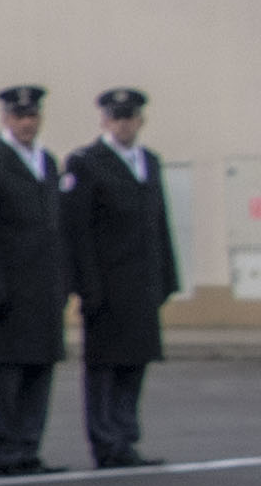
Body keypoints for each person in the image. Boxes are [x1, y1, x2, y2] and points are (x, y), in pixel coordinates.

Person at [66, 88, 179, 465]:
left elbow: (158, 225)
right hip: (107, 286)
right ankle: (105, 440)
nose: (123, 124)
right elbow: (78, 231)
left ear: (140, 121)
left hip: (142, 284)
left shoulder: (149, 161)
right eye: (116, 117)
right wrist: (86, 285)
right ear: (104, 121)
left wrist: (167, 278)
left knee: (135, 363)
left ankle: (126, 436)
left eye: (129, 117)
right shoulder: (87, 163)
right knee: (105, 367)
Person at [0, 86, 73, 470]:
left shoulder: (45, 161)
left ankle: (28, 445)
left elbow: (56, 229)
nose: (27, 123)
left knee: (38, 372)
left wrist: (63, 281)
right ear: (5, 119)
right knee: (6, 376)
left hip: (42, 289)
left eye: (32, 116)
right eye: (19, 116)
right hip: (8, 291)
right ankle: (7, 446)